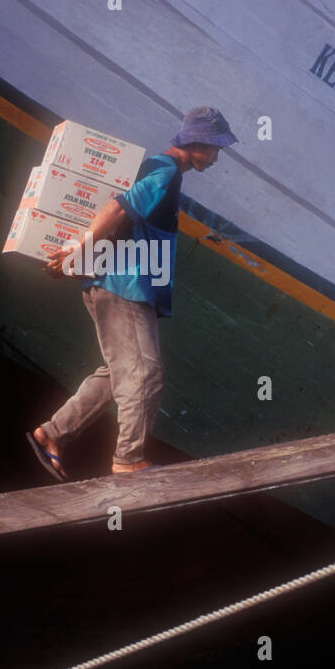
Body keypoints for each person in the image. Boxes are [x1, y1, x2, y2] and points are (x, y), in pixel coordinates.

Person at [26, 107, 238, 480]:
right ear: (198, 143)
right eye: (216, 148)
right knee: (145, 374)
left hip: (119, 286)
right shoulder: (166, 171)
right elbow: (116, 209)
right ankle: (128, 459)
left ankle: (51, 434)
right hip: (124, 286)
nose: (218, 157)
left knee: (118, 372)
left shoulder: (161, 168)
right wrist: (81, 250)